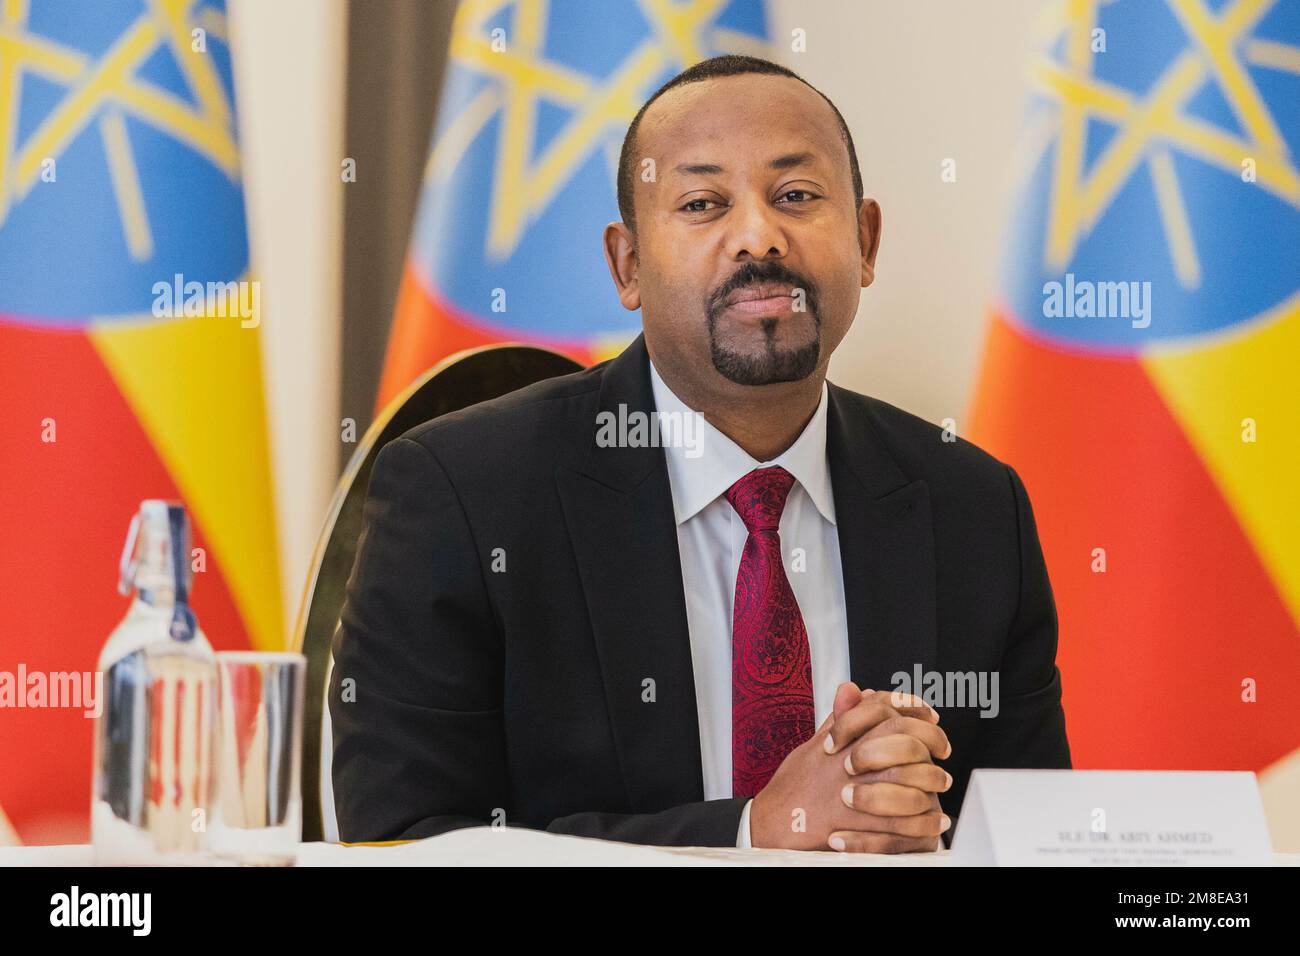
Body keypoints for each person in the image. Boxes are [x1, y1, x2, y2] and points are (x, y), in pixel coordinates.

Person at [329, 54, 1070, 852]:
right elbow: (400, 843)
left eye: (796, 196)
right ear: (629, 265)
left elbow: (1032, 841)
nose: (759, 235)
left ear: (865, 241)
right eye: (702, 202)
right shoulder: (463, 494)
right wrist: (756, 830)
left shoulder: (973, 506)